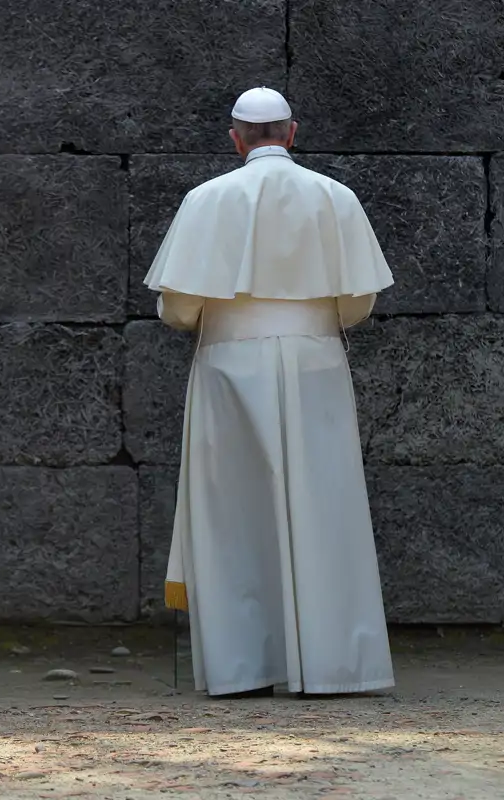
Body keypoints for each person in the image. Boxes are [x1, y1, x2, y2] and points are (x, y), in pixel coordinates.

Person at [144, 87, 395, 698]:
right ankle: (336, 666)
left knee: (232, 512)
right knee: (324, 506)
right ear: (291, 132)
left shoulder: (205, 200)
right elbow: (357, 304)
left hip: (229, 367)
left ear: (235, 138)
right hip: (315, 363)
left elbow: (178, 309)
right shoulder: (336, 198)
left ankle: (242, 668)